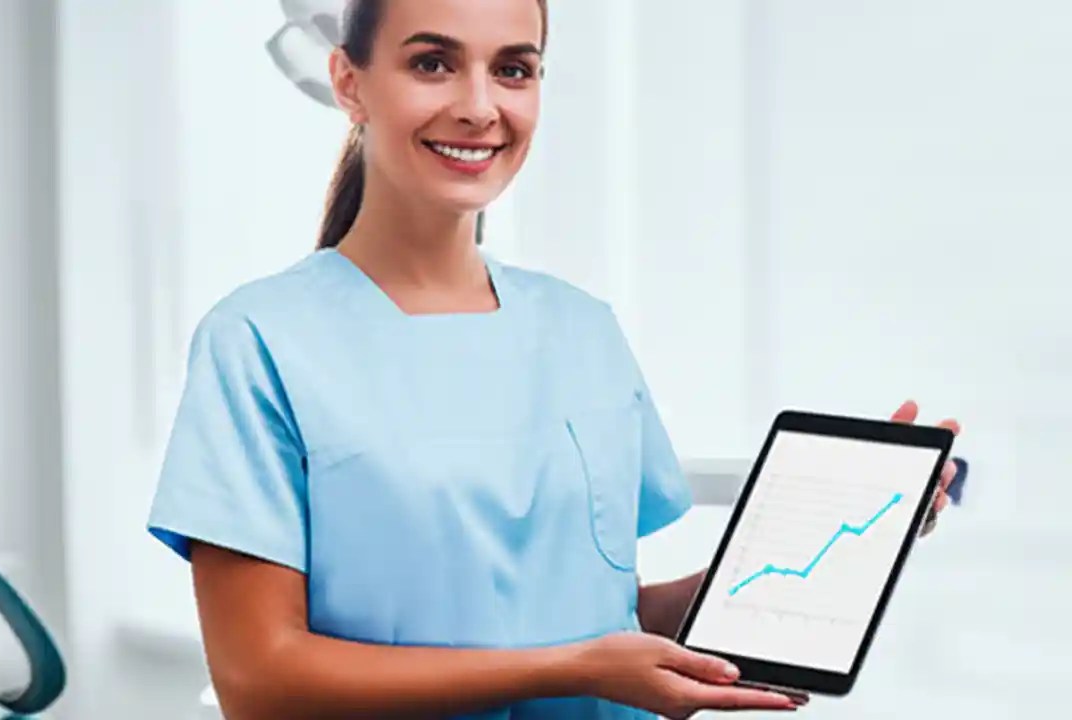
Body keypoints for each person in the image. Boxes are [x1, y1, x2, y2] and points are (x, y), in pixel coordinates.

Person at [145, 1, 962, 718]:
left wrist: (850, 541)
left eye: (514, 69)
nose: (478, 106)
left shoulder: (583, 329)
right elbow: (261, 679)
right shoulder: (260, 341)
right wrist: (573, 669)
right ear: (350, 82)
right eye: (432, 62)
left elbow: (604, 619)